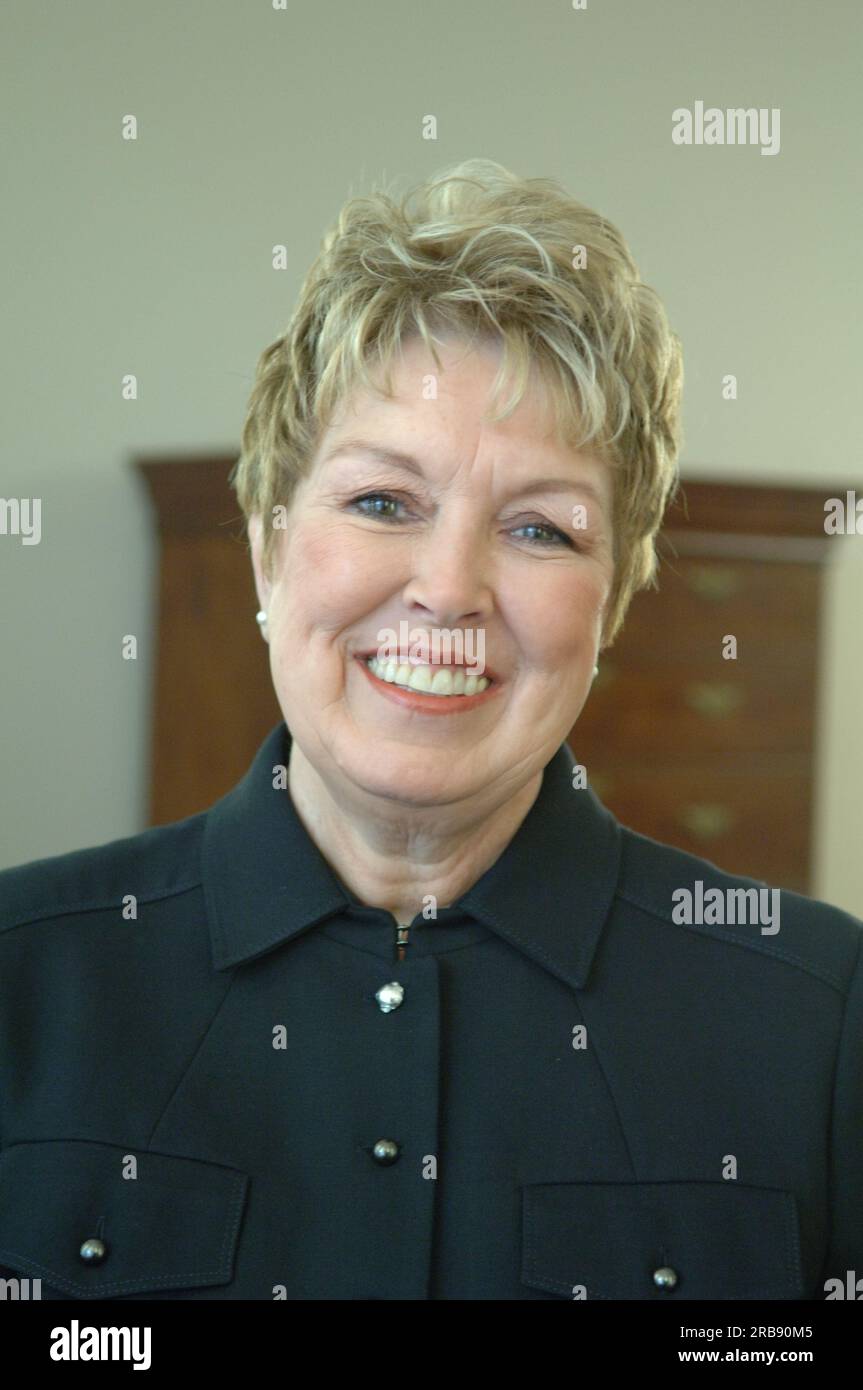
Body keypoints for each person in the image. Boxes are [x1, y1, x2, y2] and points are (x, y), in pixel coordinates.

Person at [0, 159, 860, 1301]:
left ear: (609, 602)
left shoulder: (817, 1013)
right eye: (381, 502)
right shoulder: (23, 972)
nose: (447, 589)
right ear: (267, 551)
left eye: (539, 529)